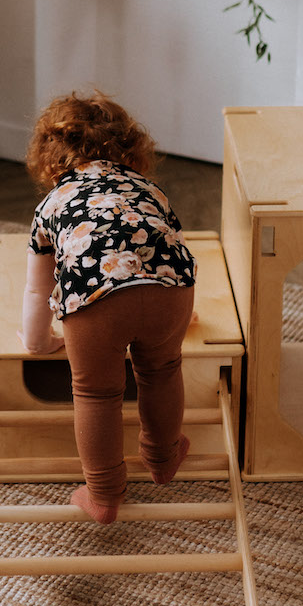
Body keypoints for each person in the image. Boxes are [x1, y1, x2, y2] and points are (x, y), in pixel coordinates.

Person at [20, 91, 197, 524]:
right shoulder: (148, 188)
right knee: (161, 370)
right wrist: (175, 314)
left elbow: (36, 289)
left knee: (96, 394)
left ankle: (103, 494)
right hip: (170, 288)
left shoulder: (51, 205)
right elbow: (166, 241)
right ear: (131, 148)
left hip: (94, 298)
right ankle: (163, 457)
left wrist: (38, 341)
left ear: (50, 159)